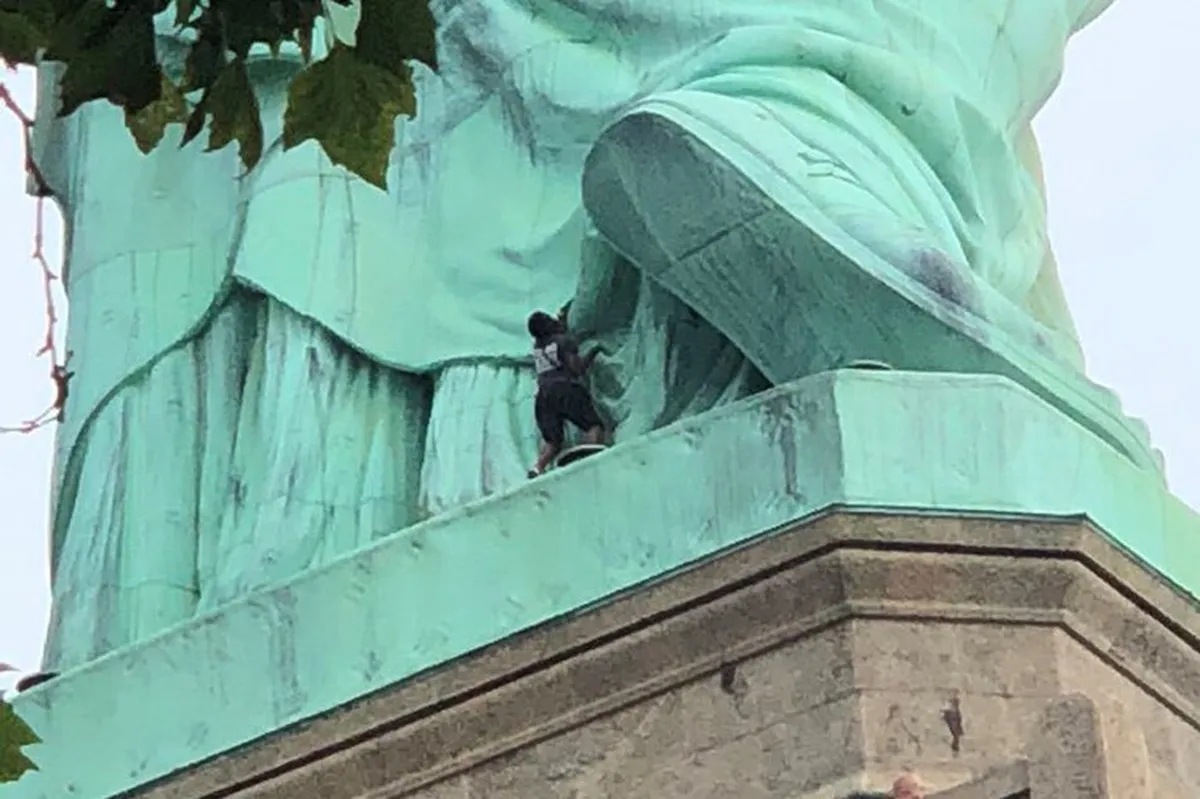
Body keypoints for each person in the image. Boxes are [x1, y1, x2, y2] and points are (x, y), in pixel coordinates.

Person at [526, 311, 607, 477]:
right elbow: (577, 369)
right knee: (593, 425)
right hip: (565, 388)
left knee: (553, 441)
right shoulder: (563, 341)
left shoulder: (537, 348)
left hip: (543, 395)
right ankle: (593, 456)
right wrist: (593, 352)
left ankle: (538, 467)